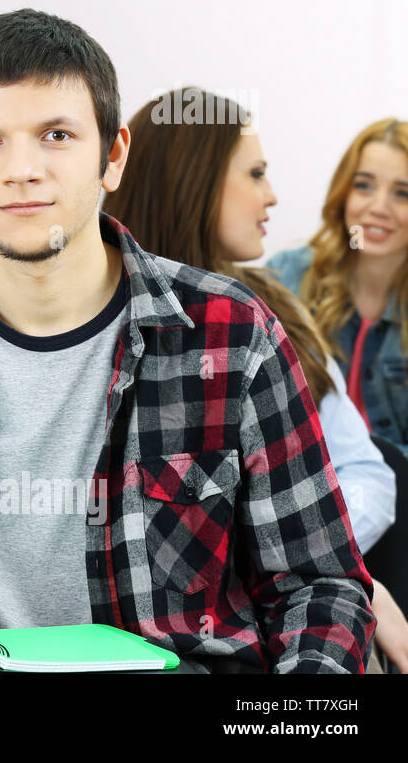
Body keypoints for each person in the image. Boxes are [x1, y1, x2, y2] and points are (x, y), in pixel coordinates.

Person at [0, 9, 374, 672]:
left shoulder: (231, 331)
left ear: (112, 156)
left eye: (55, 135)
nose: (23, 170)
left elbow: (320, 589)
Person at [105, 86, 405, 672]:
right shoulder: (109, 315)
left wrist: (336, 571)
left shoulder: (274, 307)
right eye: (256, 173)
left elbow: (367, 470)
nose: (273, 196)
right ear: (198, 180)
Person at [264, 118, 408, 458]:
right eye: (364, 186)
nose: (378, 208)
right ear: (343, 194)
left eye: (402, 193)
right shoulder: (287, 277)